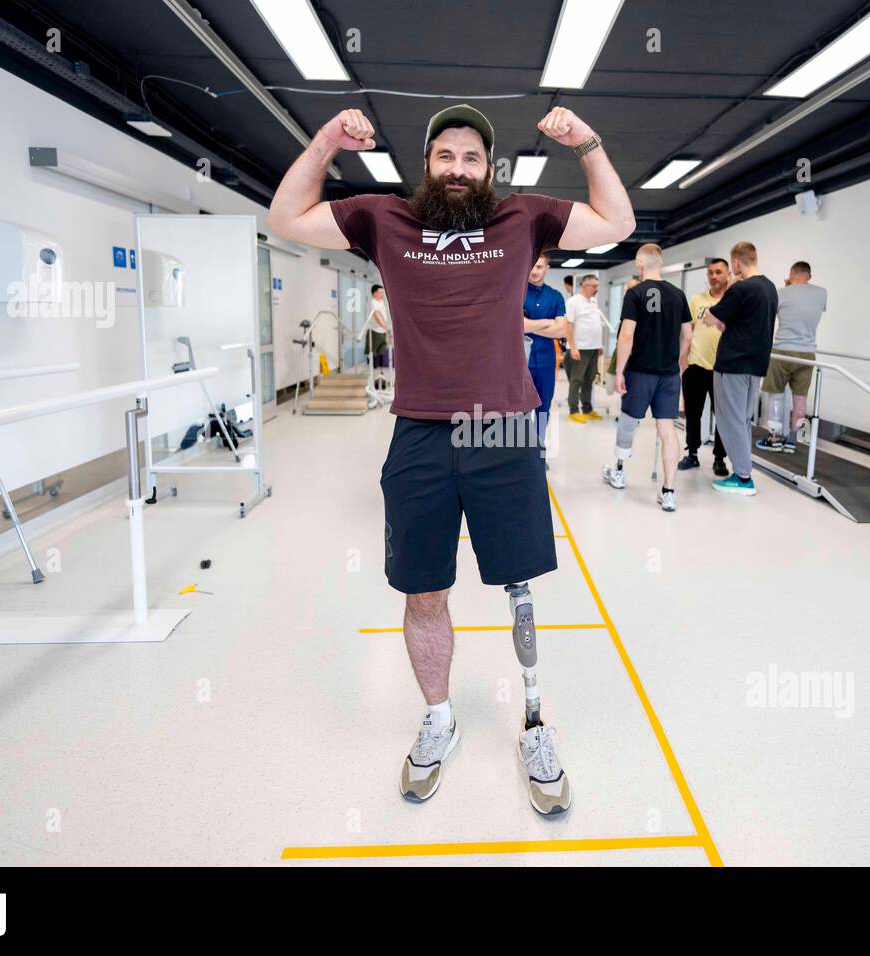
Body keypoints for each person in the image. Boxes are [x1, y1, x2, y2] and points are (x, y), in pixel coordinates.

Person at [267, 104, 634, 815]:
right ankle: (439, 717)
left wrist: (587, 142)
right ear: (427, 164)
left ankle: (533, 720)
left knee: (519, 584)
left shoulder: (521, 218)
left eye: (473, 159)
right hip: (420, 434)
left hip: (501, 428)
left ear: (489, 170)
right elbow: (285, 218)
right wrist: (324, 143)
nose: (460, 170)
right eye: (447, 157)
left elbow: (616, 221)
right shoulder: (383, 219)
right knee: (422, 589)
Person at [601, 244, 692, 512]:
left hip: (640, 371)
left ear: (640, 263)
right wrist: (678, 361)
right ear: (660, 263)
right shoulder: (678, 295)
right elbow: (687, 336)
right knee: (667, 431)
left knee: (629, 423)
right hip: (668, 375)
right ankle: (669, 491)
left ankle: (618, 471)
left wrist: (619, 371)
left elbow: (627, 335)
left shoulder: (635, 293)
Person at [702, 241, 778, 496]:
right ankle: (742, 471)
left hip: (733, 364)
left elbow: (710, 317)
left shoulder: (741, 288)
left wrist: (730, 290)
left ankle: (743, 477)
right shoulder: (770, 288)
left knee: (729, 419)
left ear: (735, 263)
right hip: (756, 364)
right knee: (743, 419)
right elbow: (744, 321)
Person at [757, 261, 827, 452]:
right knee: (800, 398)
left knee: (775, 396)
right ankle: (793, 440)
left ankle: (774, 438)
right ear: (809, 276)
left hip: (782, 351)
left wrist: (788, 288)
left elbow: (782, 311)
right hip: (807, 352)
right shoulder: (822, 293)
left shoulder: (780, 293)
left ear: (791, 273)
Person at [680, 258, 730, 476]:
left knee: (722, 415)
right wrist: (682, 359)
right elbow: (687, 330)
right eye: (710, 272)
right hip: (696, 364)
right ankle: (692, 453)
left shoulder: (733, 300)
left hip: (723, 367)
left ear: (728, 274)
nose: (713, 276)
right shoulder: (696, 300)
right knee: (693, 413)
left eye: (718, 272)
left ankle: (719, 458)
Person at [522, 255, 568, 457]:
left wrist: (529, 324)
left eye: (539, 266)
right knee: (519, 410)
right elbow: (517, 326)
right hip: (521, 361)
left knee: (543, 408)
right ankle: (519, 453)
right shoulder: (517, 292)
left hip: (547, 362)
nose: (534, 271)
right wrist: (548, 322)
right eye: (532, 265)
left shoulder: (556, 296)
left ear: (547, 268)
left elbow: (562, 331)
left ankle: (538, 449)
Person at [565, 274, 606, 422]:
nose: (597, 289)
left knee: (589, 380)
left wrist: (599, 344)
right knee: (576, 380)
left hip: (593, 348)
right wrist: (573, 347)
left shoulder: (593, 301)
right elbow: (568, 325)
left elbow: (595, 324)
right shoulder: (573, 301)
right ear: (584, 286)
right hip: (580, 348)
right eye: (594, 286)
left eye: (597, 286)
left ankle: (587, 409)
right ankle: (574, 411)